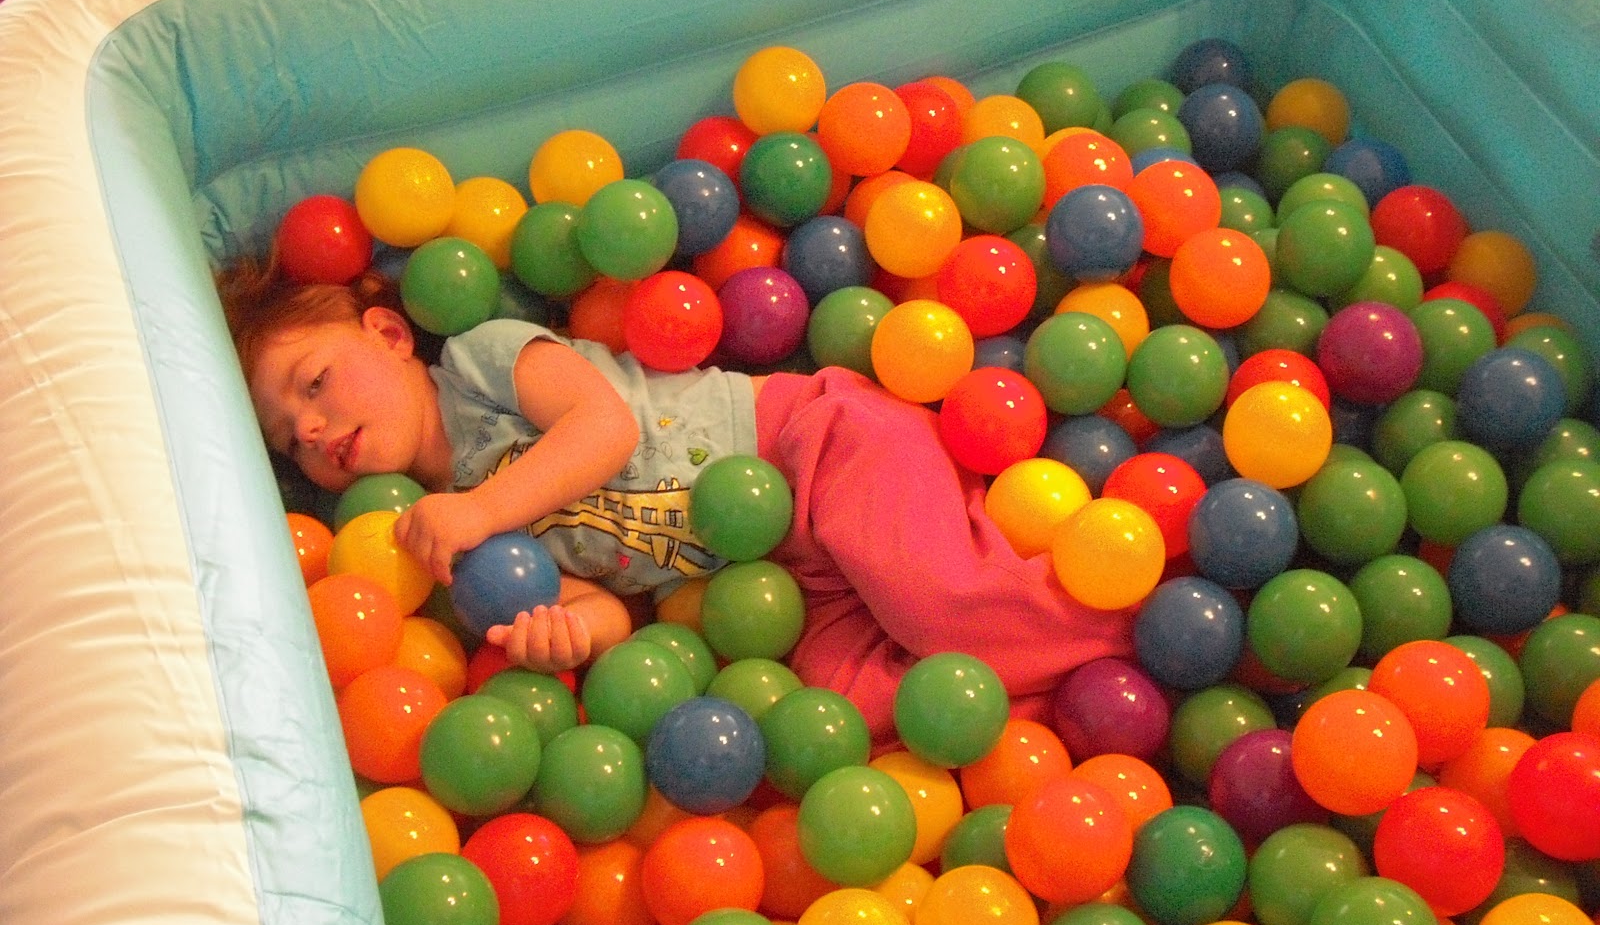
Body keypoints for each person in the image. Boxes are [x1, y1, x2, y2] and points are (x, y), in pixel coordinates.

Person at [218, 258, 1135, 740]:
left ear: (385, 335)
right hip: (773, 584)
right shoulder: (430, 541)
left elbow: (604, 427)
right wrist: (568, 631)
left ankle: (1137, 627)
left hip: (810, 453)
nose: (308, 428)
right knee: (848, 715)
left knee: (936, 610)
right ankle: (1093, 701)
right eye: (283, 435)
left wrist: (483, 510)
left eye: (312, 383)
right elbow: (610, 601)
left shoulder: (477, 363)